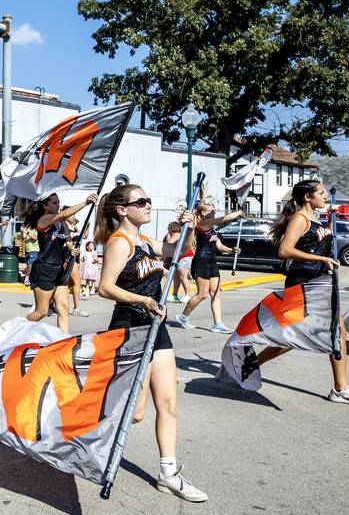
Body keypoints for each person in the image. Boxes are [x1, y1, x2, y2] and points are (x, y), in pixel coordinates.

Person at [95, 183, 206, 502]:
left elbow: (177, 252)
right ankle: (83, 435)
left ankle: (168, 473)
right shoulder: (119, 242)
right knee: (137, 412)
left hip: (157, 326)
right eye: (140, 201)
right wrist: (142, 300)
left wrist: (189, 226)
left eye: (148, 200)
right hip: (130, 327)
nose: (147, 205)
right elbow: (105, 288)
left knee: (168, 403)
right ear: (122, 210)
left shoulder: (145, 240)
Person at [253, 179, 349, 407]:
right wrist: (321, 258)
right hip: (304, 282)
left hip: (321, 281)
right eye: (321, 193)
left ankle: (341, 387)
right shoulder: (300, 218)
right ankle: (249, 365)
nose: (325, 196)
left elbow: (316, 242)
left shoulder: (315, 218)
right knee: (290, 336)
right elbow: (285, 250)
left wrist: (328, 220)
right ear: (307, 197)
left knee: (334, 330)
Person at [26, 193, 98, 334]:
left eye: (58, 202)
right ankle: (15, 330)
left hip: (59, 270)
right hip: (44, 268)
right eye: (54, 203)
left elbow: (69, 242)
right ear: (45, 205)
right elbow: (64, 214)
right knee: (42, 311)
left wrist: (73, 249)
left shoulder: (62, 222)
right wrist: (86, 202)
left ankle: (63, 341)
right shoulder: (44, 219)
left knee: (63, 308)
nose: (57, 205)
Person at [175, 203, 242, 334]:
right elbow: (225, 218)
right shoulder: (204, 224)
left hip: (212, 262)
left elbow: (220, 246)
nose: (214, 211)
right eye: (212, 210)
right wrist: (238, 213)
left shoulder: (212, 229)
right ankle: (183, 317)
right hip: (201, 261)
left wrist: (232, 250)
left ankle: (218, 324)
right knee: (203, 294)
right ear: (204, 213)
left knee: (216, 293)